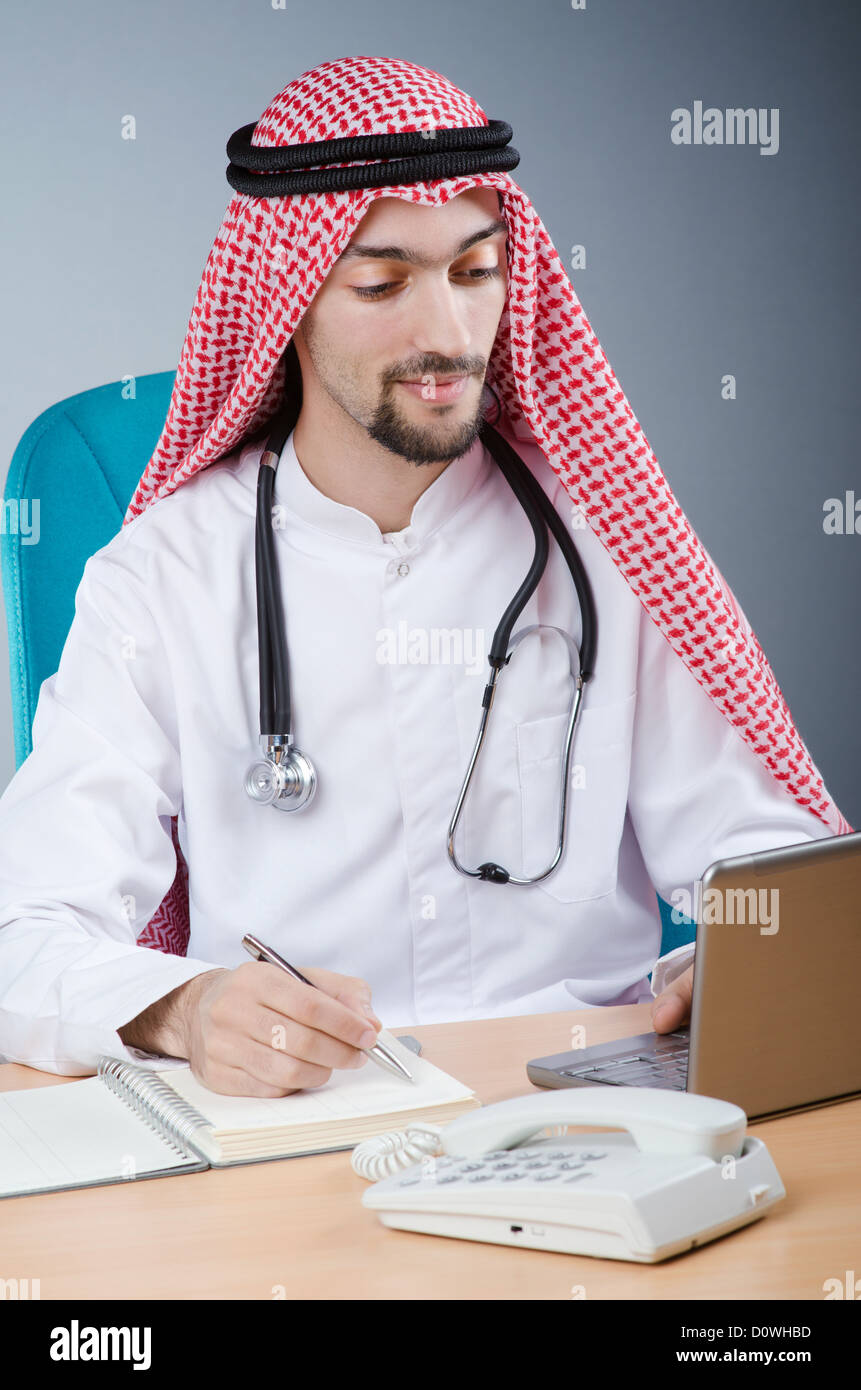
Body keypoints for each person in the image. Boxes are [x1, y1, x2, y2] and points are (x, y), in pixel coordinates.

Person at [0, 56, 848, 1095]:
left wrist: (735, 961)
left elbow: (770, 876)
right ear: (286, 300)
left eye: (475, 272)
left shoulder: (609, 542)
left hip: (600, 1113)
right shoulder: (164, 577)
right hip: (300, 1142)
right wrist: (188, 1007)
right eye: (382, 282)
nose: (446, 333)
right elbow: (22, 932)